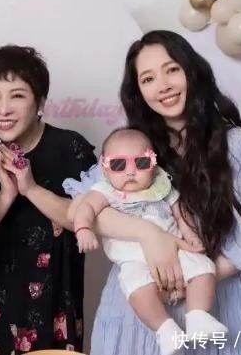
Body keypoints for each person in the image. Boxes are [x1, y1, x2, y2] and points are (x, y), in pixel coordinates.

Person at [65, 30, 241, 355]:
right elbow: (82, 208)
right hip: (136, 315)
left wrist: (183, 279)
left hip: (213, 305)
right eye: (148, 79)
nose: (163, 85)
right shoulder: (133, 148)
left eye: (172, 70)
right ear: (138, 91)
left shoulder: (238, 146)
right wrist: (150, 234)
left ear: (192, 71)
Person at [0, 45, 96, 354]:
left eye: (17, 96)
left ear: (40, 103)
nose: (3, 109)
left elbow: (89, 219)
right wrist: (7, 193)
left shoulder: (70, 147)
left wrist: (31, 189)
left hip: (53, 304)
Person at [71, 128, 226, 355]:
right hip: (133, 260)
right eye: (118, 164)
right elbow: (85, 208)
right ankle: (166, 330)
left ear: (153, 164)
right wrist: (83, 228)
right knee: (137, 289)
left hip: (175, 251)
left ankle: (198, 317)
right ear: (104, 167)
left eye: (141, 162)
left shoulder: (161, 185)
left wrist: (191, 235)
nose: (130, 171)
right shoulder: (105, 190)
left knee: (203, 268)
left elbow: (181, 213)